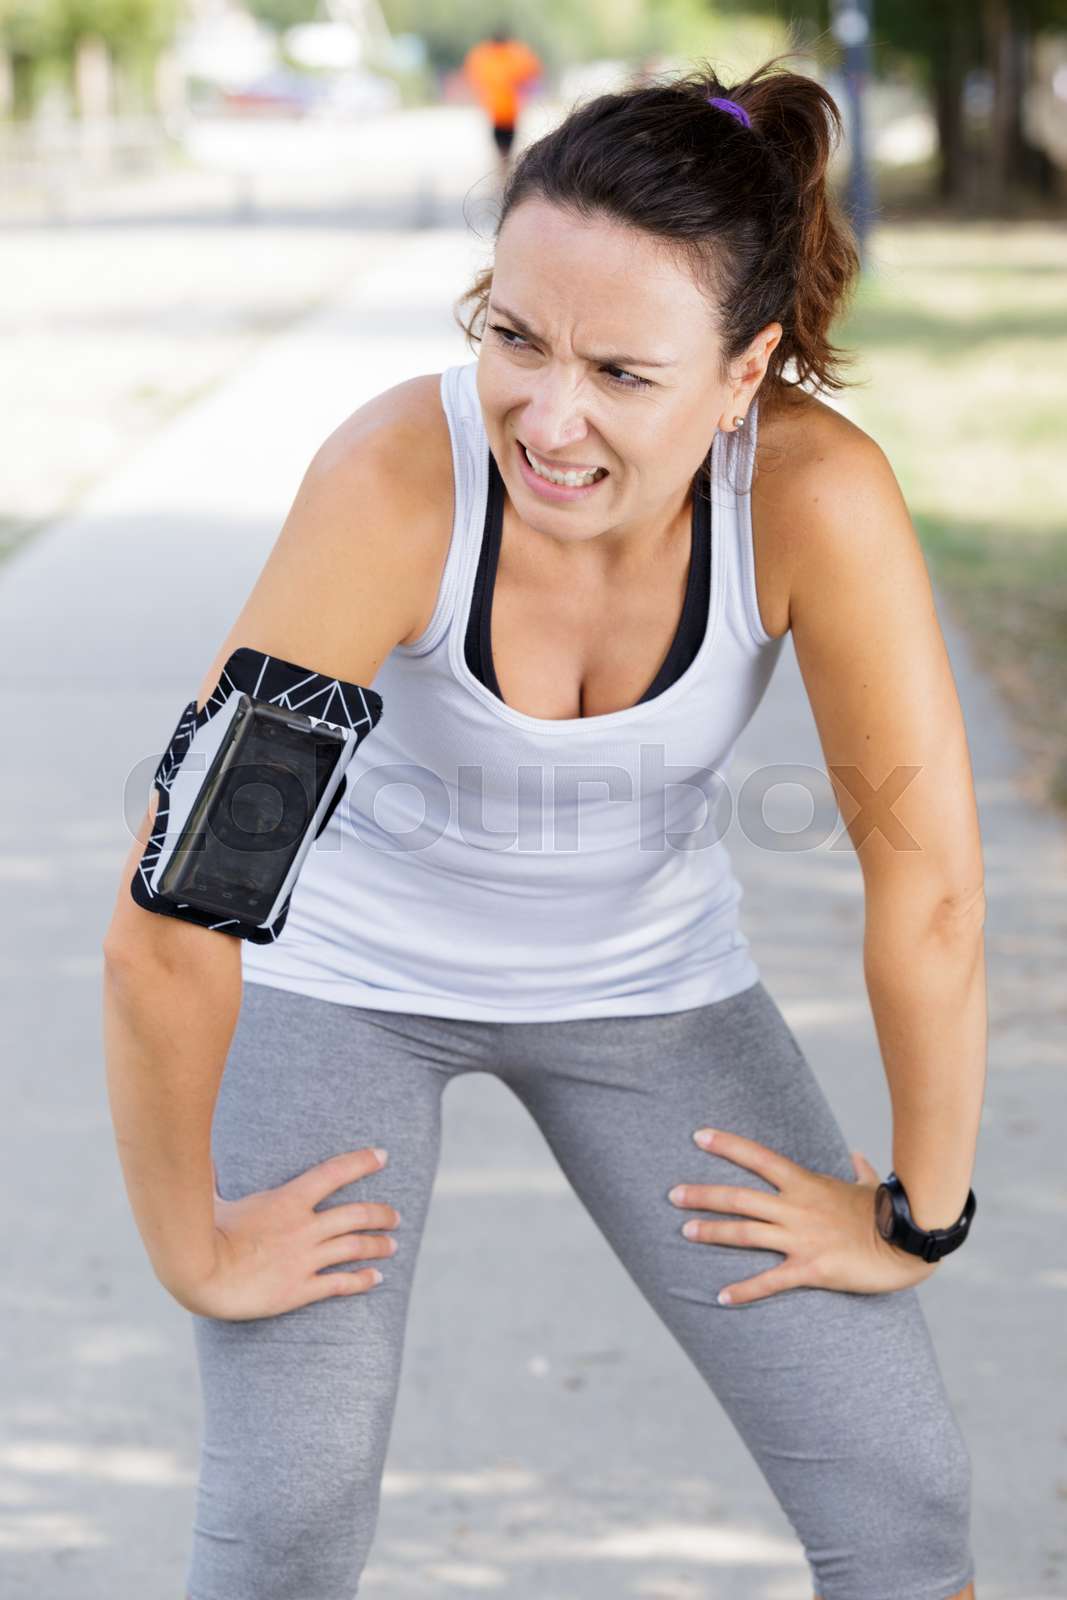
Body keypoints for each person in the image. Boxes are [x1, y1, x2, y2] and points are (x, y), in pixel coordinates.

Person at [102, 54, 984, 1600]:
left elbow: (923, 883)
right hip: (344, 984)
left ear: (743, 371)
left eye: (622, 374)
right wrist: (192, 1241)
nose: (548, 417)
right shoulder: (395, 484)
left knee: (901, 1493)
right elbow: (179, 905)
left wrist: (916, 1210)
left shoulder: (811, 495)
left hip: (649, 987)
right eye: (512, 337)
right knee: (289, 1513)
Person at [462, 26, 543, 178]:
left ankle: (503, 172)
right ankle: (504, 172)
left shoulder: (485, 55)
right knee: (506, 146)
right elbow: (532, 71)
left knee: (502, 147)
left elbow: (473, 75)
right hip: (506, 111)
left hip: (499, 111)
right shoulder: (515, 53)